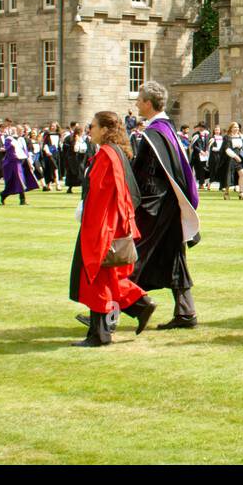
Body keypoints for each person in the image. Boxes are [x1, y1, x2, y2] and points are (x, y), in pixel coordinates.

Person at [70, 111, 158, 346]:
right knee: (107, 278)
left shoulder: (107, 156)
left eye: (94, 126)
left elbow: (101, 197)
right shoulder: (113, 153)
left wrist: (93, 227)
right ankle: (140, 306)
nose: (90, 130)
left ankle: (100, 335)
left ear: (105, 130)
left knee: (96, 279)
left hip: (103, 226)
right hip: (111, 224)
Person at [130, 81, 201, 330]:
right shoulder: (165, 129)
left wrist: (134, 203)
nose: (137, 103)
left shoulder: (153, 135)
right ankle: (186, 313)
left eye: (139, 99)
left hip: (156, 207)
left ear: (149, 103)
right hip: (171, 206)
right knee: (174, 259)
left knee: (133, 255)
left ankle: (110, 312)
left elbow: (146, 176)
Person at [0, 126, 39, 205]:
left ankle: (9, 195)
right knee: (18, 181)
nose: (22, 132)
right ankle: (18, 198)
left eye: (22, 131)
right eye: (20, 130)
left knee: (22, 181)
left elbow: (25, 152)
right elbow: (9, 151)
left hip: (22, 162)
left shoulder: (22, 139)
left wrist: (29, 163)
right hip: (13, 163)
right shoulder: (9, 139)